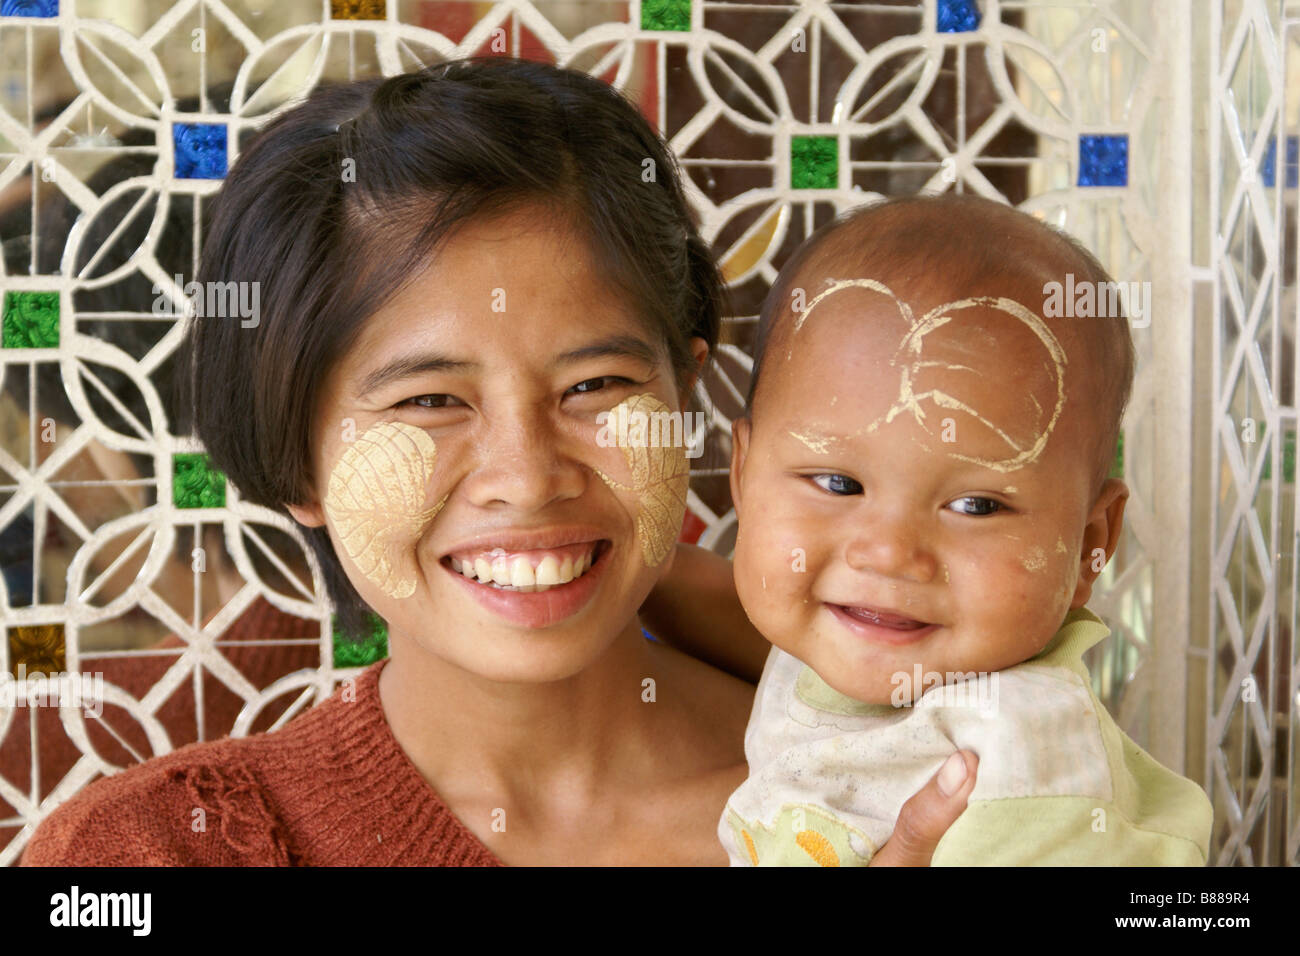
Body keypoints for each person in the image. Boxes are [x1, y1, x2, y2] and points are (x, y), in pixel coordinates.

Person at [19, 58, 976, 866]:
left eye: (595, 386)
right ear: (299, 463)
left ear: (687, 399)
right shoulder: (146, 856)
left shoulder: (947, 796)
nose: (527, 476)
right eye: (430, 401)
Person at [717, 195, 1213, 866]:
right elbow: (696, 590)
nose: (889, 554)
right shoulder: (829, 633)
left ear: (1091, 546)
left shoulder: (1021, 779)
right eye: (838, 484)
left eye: (977, 506)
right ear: (743, 479)